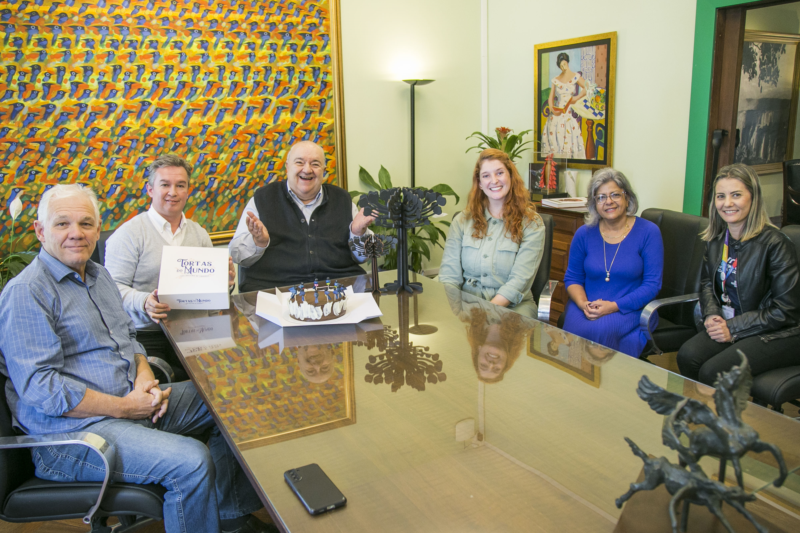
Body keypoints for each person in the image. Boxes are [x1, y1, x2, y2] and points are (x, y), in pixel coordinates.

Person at [0, 184, 270, 533]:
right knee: (191, 461)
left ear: (98, 230)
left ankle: (229, 514)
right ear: (40, 231)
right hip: (76, 436)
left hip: (132, 403)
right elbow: (42, 389)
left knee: (231, 392)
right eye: (62, 224)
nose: (75, 234)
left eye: (85, 224)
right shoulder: (27, 293)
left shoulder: (98, 278)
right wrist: (125, 407)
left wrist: (144, 375)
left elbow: (128, 337)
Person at [105, 154, 235, 381]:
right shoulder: (128, 235)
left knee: (224, 379)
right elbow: (111, 289)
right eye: (165, 185)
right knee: (164, 385)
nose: (172, 192)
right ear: (150, 189)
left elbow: (214, 299)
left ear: (187, 190)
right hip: (147, 335)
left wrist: (226, 285)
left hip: (195, 331)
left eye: (180, 185)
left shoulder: (199, 234)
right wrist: (144, 301)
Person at [677, 163, 800, 385]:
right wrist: (712, 315)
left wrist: (732, 328)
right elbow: (707, 284)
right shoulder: (716, 239)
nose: (727, 203)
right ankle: (703, 415)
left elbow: (786, 311)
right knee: (687, 356)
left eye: (736, 195)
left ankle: (730, 418)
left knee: (713, 372)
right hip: (730, 321)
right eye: (720, 196)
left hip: (777, 331)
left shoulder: (775, 243)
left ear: (753, 198)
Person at [229, 140, 374, 292]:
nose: (307, 169)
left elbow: (364, 257)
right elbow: (237, 255)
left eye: (315, 164)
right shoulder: (262, 198)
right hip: (275, 292)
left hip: (338, 290)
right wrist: (258, 242)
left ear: (324, 170)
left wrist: (358, 233)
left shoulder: (342, 199)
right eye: (299, 162)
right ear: (287, 167)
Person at [562, 168, 663, 357]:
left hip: (630, 307)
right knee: (573, 335)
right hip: (587, 305)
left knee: (600, 331)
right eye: (601, 197)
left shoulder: (649, 232)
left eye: (615, 194)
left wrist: (613, 306)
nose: (608, 201)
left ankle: (610, 385)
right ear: (594, 203)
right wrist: (584, 304)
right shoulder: (584, 233)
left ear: (627, 197)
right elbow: (572, 278)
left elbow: (652, 285)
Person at [439, 148, 545, 318]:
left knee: (496, 341)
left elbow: (519, 281)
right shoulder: (461, 221)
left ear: (510, 176)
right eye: (486, 176)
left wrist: (485, 313)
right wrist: (454, 312)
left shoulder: (532, 223)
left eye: (500, 173)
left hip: (512, 307)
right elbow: (449, 276)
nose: (494, 181)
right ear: (480, 183)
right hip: (467, 305)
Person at [446, 285, 533, 383]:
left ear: (478, 350)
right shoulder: (525, 323)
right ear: (507, 360)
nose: (491, 364)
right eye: (496, 369)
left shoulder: (466, 314)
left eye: (483, 365)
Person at [541, 52, 588, 159]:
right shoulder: (556, 79)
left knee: (570, 130)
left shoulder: (575, 76)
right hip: (558, 111)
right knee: (553, 126)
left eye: (564, 64)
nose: (563, 67)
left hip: (569, 111)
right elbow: (551, 97)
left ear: (567, 63)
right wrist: (553, 110)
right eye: (561, 66)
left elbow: (587, 87)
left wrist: (576, 98)